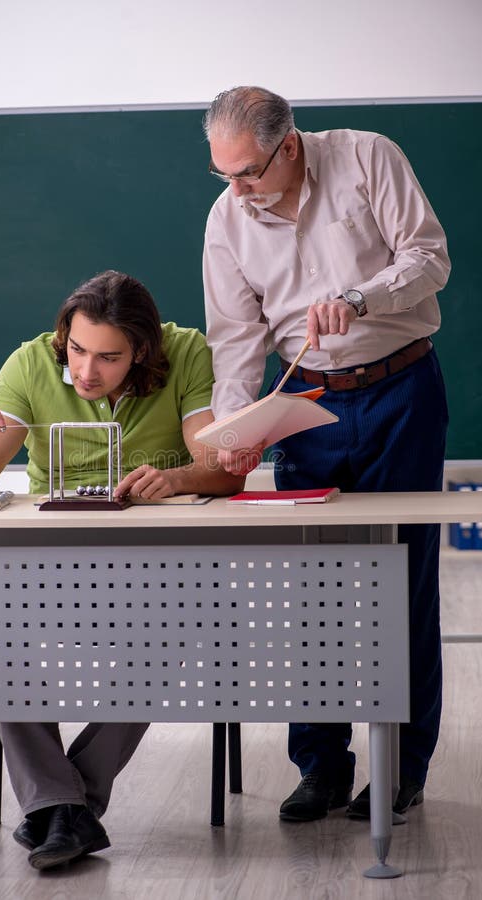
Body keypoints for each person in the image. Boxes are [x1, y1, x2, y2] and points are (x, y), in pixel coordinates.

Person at [202, 86, 450, 823]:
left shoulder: (368, 156)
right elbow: (235, 341)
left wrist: (361, 297)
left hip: (398, 386)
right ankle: (320, 767)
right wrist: (233, 432)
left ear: (288, 144)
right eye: (223, 174)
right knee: (310, 593)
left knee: (402, 579)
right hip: (301, 405)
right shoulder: (226, 218)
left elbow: (429, 259)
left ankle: (400, 770)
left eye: (247, 172)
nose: (237, 188)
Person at [0, 269, 243, 869]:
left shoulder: (185, 353)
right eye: (77, 350)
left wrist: (178, 478)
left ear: (143, 350)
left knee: (174, 624)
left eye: (108, 357)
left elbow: (224, 470)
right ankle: (69, 810)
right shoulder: (31, 364)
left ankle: (57, 806)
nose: (85, 370)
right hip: (47, 557)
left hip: (154, 564)